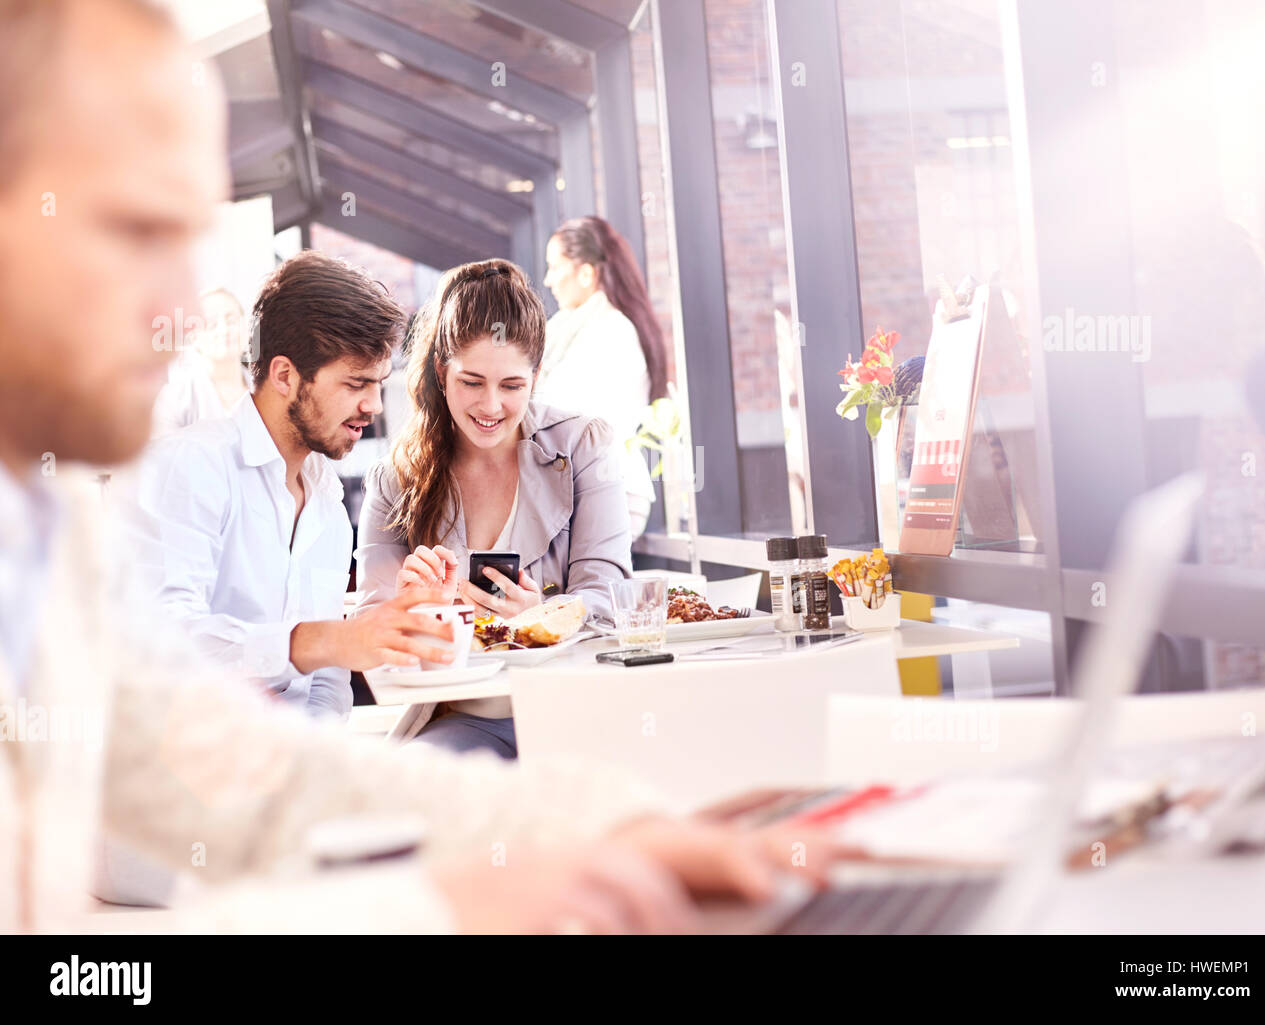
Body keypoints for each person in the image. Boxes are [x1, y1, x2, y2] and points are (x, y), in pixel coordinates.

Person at [0, 0, 835, 934]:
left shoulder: (44, 522)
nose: (185, 309)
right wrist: (424, 898)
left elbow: (239, 768)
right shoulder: (155, 485)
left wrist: (608, 823)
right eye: (134, 230)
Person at [121, 251, 451, 719]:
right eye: (356, 383)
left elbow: (327, 685)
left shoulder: (328, 509)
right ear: (284, 375)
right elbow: (163, 639)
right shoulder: (190, 467)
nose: (374, 405)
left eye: (378, 383)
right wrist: (323, 640)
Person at [356, 259, 630, 758]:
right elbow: (370, 629)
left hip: (577, 711)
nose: (490, 406)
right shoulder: (396, 476)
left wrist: (547, 616)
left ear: (535, 376)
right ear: (442, 372)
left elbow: (609, 592)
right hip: (463, 722)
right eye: (472, 382)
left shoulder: (584, 446)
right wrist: (410, 607)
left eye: (511, 386)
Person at [537, 216, 669, 538]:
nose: (547, 280)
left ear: (585, 273)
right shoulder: (567, 328)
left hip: (608, 489)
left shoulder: (611, 331)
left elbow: (575, 415)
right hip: (583, 486)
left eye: (555, 267)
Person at [152, 287, 252, 436]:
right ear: (194, 337)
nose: (224, 330)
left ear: (245, 327)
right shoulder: (173, 400)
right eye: (211, 324)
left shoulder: (266, 392)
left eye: (231, 321)